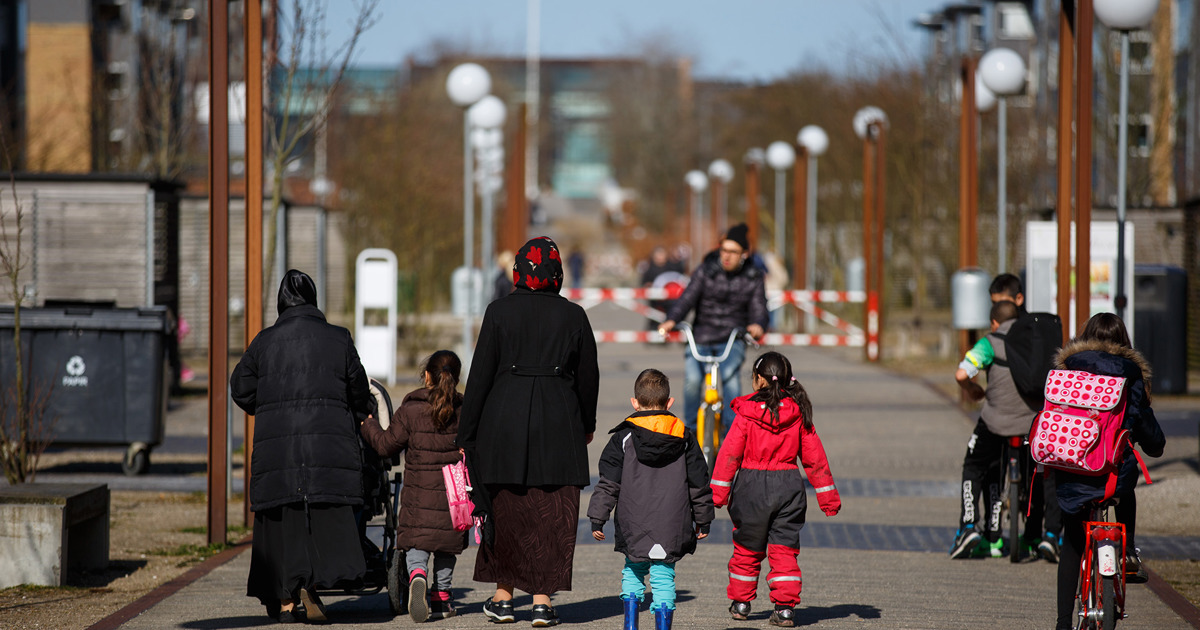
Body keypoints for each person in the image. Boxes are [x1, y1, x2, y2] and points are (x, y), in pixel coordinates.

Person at [458, 236, 600, 627]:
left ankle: (503, 599)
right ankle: (542, 602)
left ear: (519, 271)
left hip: (503, 422)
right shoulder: (574, 316)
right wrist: (585, 425)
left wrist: (466, 434)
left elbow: (481, 376)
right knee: (552, 514)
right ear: (557, 274)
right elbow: (588, 379)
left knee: (507, 508)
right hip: (559, 424)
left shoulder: (499, 312)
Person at [230, 269, 375, 624]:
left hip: (277, 452)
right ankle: (312, 582)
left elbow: (240, 388)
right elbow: (359, 391)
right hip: (328, 449)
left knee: (282, 522)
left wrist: (268, 405)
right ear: (313, 300)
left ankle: (284, 602)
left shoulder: (264, 341)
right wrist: (353, 413)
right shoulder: (338, 339)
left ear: (281, 303)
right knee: (323, 517)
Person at [710, 352, 841, 628]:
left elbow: (729, 455)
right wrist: (828, 497)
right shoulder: (798, 412)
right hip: (789, 487)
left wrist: (717, 494)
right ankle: (784, 609)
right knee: (784, 549)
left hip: (750, 488)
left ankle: (742, 603)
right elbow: (815, 459)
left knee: (746, 548)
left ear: (758, 380)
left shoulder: (746, 415)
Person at [1052, 313, 1165, 630]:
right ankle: (1127, 552)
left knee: (1072, 541)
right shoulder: (1131, 373)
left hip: (1073, 468)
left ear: (1085, 335)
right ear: (1123, 341)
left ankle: (1062, 623)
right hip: (1114, 474)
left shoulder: (1067, 367)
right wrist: (1155, 445)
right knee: (1126, 491)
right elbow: (1146, 428)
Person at [587, 369, 715, 630]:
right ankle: (662, 625)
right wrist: (703, 519)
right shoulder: (685, 438)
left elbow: (608, 483)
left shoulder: (623, 438)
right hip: (672, 522)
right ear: (669, 403)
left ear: (635, 402)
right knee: (663, 575)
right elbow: (699, 483)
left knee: (633, 568)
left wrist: (597, 518)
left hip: (633, 520)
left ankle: (631, 624)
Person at [360, 350, 466, 623]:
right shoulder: (464, 411)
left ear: (427, 375)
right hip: (452, 496)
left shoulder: (411, 410)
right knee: (446, 545)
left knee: (418, 542)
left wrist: (368, 426)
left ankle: (417, 575)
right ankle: (441, 598)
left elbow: (385, 445)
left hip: (419, 495)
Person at [949, 299, 1048, 559]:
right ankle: (1019, 534)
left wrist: (972, 389)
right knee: (1030, 473)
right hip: (1030, 424)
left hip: (995, 422)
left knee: (976, 465)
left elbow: (962, 374)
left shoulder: (990, 342)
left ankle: (971, 527)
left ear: (995, 323)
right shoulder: (1035, 341)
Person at [658, 223, 768, 435]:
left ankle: (731, 438)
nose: (726, 256)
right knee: (692, 381)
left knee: (730, 380)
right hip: (701, 337)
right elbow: (687, 298)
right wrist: (671, 320)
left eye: (733, 252)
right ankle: (689, 434)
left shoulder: (753, 276)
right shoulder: (705, 270)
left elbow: (759, 308)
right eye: (723, 250)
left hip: (732, 339)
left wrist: (758, 325)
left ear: (744, 254)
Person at [988, 273, 1063, 560]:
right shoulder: (1041, 328)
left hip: (1016, 413)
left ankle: (992, 532)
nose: (998, 311)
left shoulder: (1019, 331)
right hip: (1036, 413)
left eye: (1002, 303)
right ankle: (1043, 535)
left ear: (1018, 300)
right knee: (1044, 472)